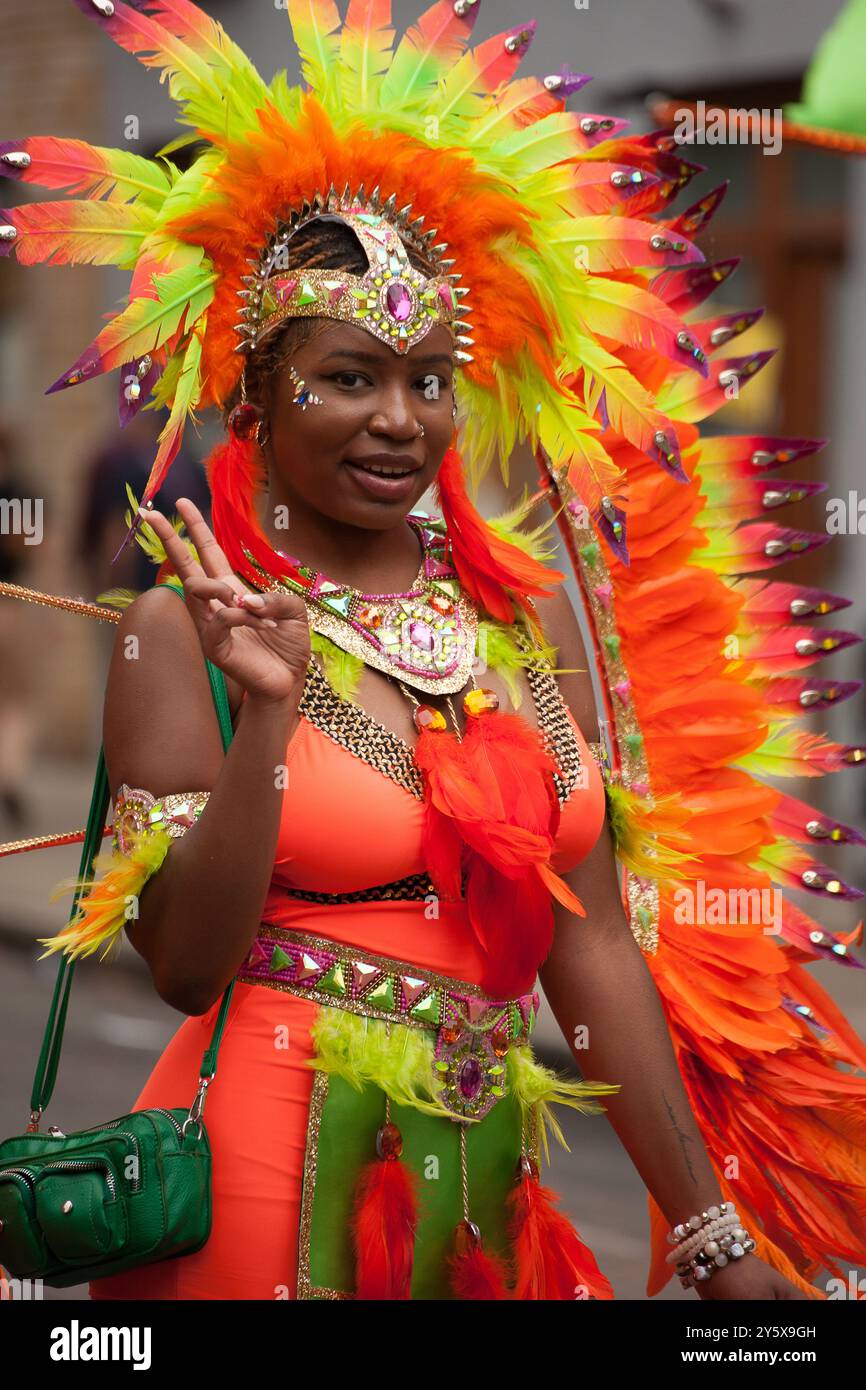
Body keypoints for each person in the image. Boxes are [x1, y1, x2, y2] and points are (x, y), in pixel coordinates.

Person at [2, 0, 864, 1301]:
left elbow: (586, 948)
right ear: (255, 398)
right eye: (347, 376)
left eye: (427, 377)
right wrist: (272, 721)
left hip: (483, 1195)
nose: (399, 420)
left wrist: (713, 1237)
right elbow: (181, 963)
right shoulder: (183, 629)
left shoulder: (514, 622)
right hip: (257, 1189)